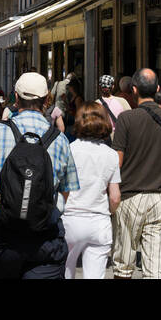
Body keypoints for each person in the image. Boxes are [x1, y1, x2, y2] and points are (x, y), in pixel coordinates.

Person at [0, 72, 79, 279]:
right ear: (47, 100)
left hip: (3, 235)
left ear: (15, 97)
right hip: (45, 237)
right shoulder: (59, 139)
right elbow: (66, 190)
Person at [111, 69, 161, 279]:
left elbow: (117, 162)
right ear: (158, 89)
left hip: (130, 196)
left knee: (123, 265)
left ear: (133, 90)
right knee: (157, 268)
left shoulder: (126, 119)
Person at [63, 102, 121, 279]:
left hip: (70, 219)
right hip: (98, 222)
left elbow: (63, 190)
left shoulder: (68, 150)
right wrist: (109, 212)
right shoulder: (111, 154)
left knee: (64, 271)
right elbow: (115, 197)